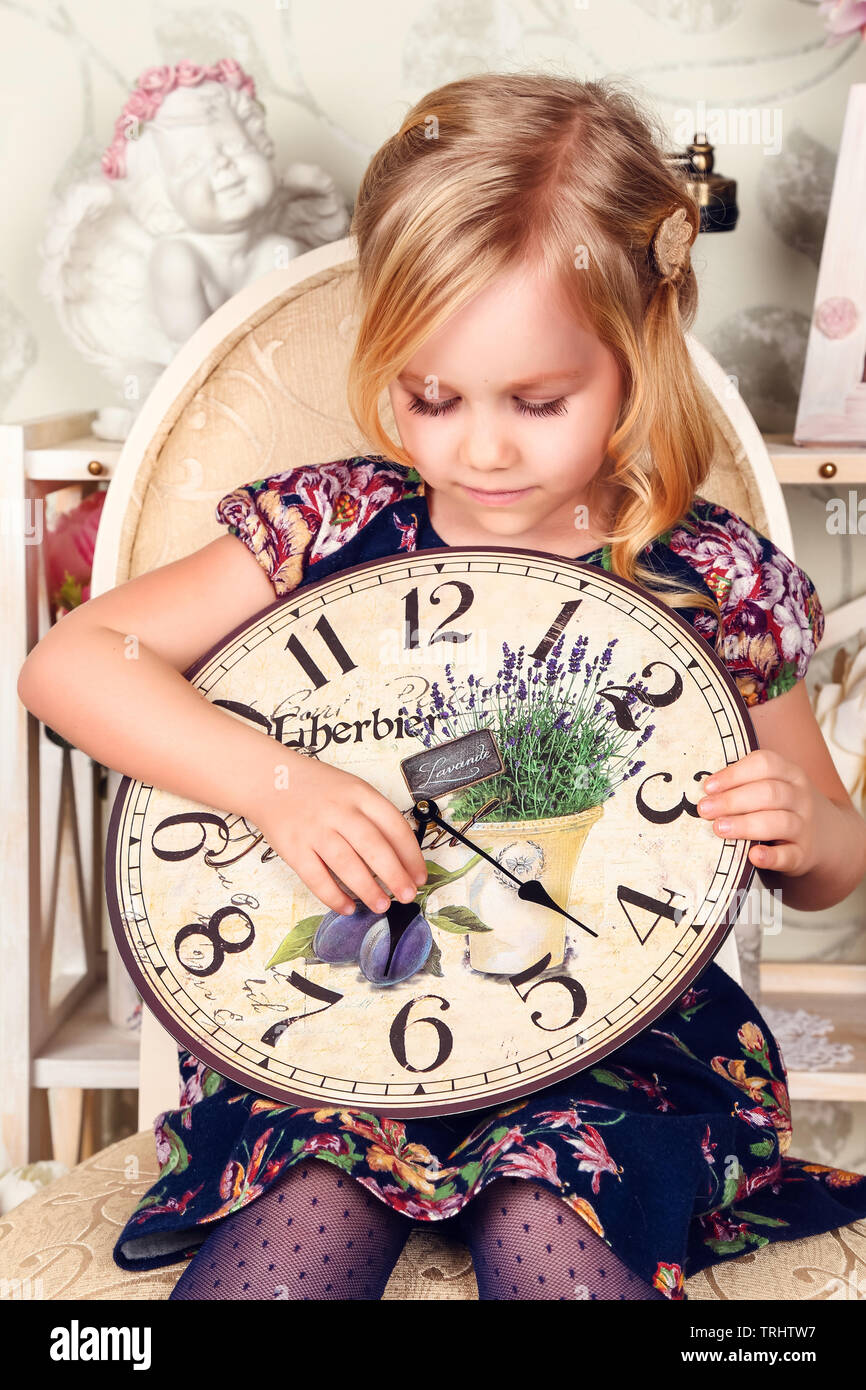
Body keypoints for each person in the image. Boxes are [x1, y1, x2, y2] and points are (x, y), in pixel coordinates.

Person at [19, 72, 866, 1303]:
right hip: (337, 1039)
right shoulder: (332, 526)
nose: (479, 446)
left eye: (536, 402)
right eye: (430, 395)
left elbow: (835, 847)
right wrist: (281, 786)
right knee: (303, 1200)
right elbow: (69, 663)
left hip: (615, 1056)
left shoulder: (710, 581)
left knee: (547, 1205)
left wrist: (803, 832)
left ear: (634, 355)